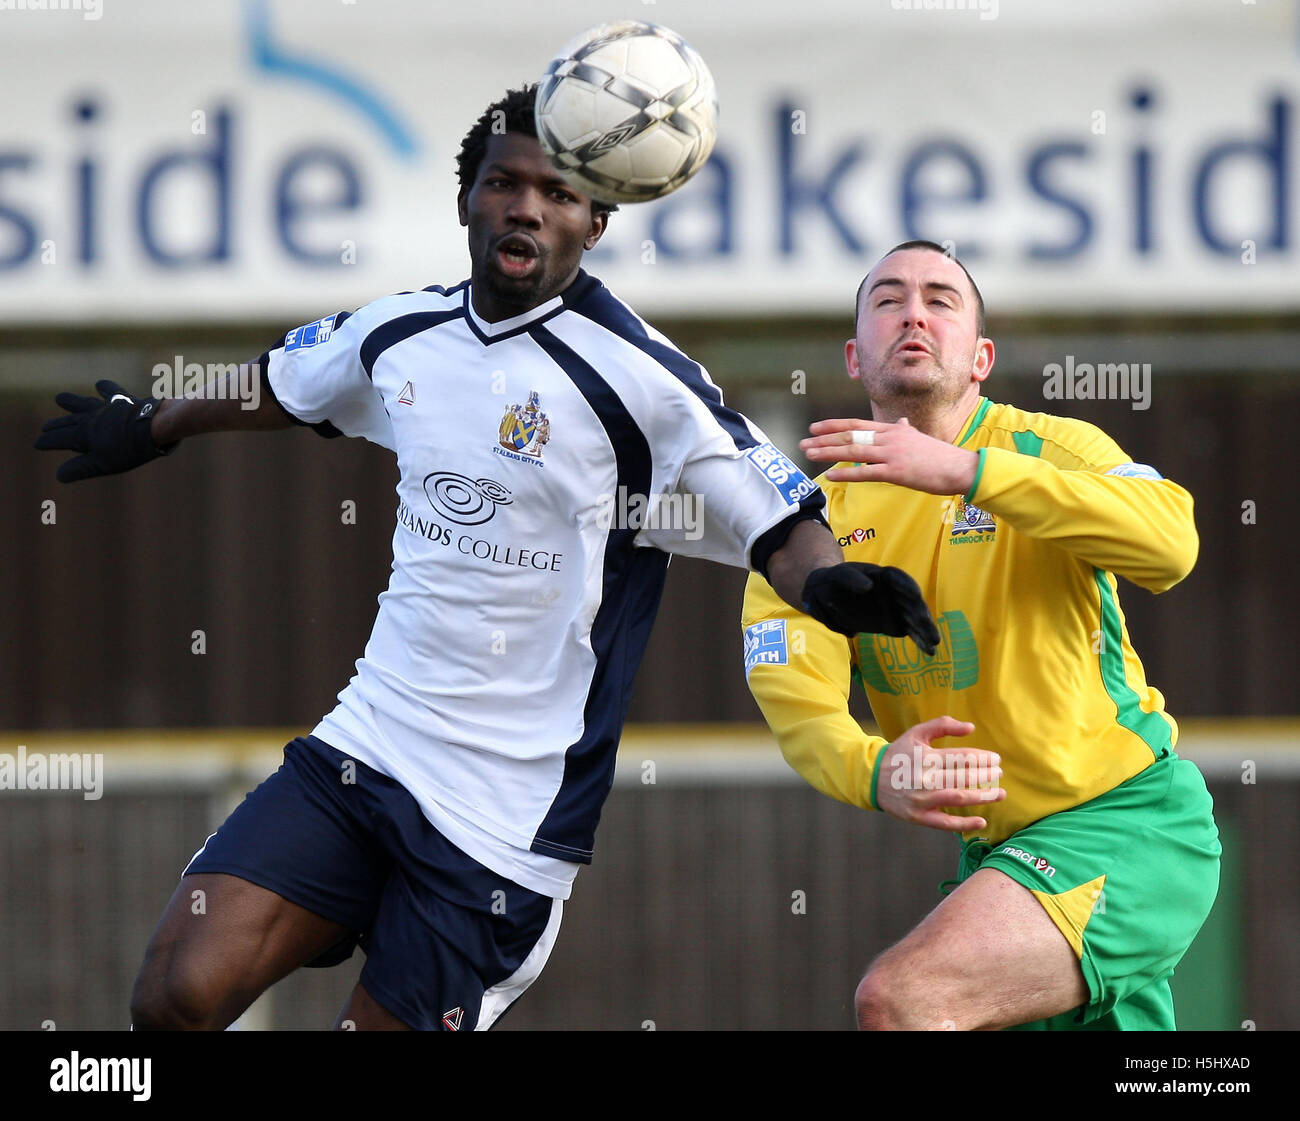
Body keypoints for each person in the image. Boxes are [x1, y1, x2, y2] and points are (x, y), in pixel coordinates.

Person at [34, 89, 938, 1031]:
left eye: (555, 192)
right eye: (503, 183)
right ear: (467, 201)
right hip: (367, 748)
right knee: (173, 995)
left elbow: (777, 519)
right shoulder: (402, 332)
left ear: (595, 220)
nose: (526, 207)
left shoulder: (644, 379)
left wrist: (830, 583)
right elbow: (281, 382)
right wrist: (151, 423)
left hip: (501, 823)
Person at [741, 240, 1220, 1031]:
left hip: (1128, 823)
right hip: (1000, 856)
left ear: (981, 357)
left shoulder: (1052, 451)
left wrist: (969, 472)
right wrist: (874, 771)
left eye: (941, 298)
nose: (915, 313)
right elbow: (799, 700)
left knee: (902, 997)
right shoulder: (804, 532)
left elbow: (1173, 548)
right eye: (889, 299)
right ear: (855, 356)